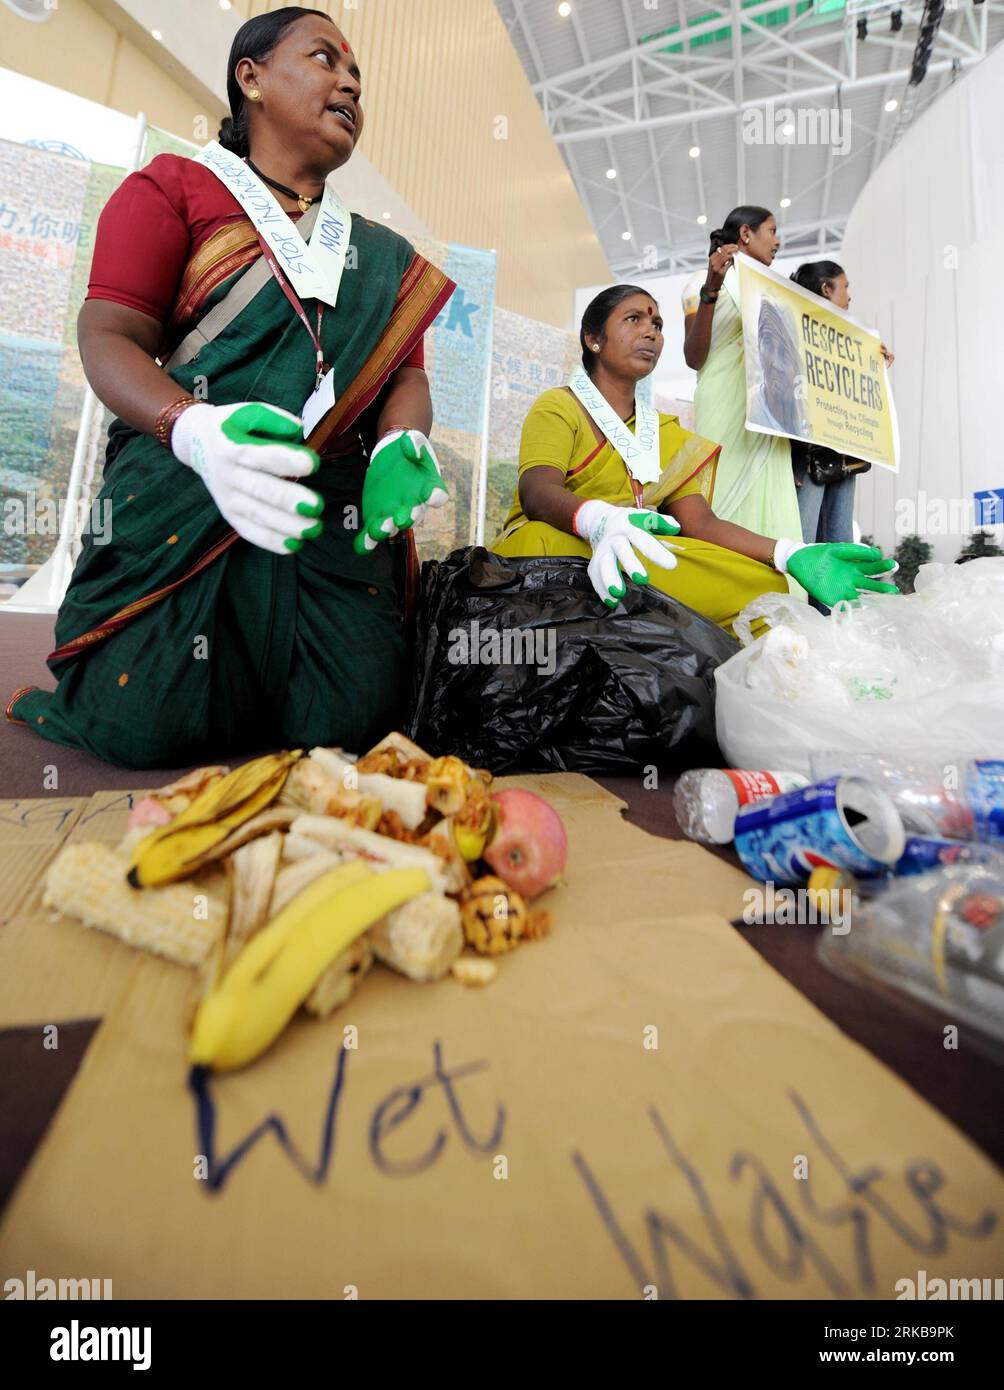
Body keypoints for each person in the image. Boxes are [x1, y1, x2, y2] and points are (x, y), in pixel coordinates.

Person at [6, 7, 455, 769]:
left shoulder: (380, 255)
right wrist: (191, 428)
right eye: (324, 58)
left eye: (357, 76)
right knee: (140, 725)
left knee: (353, 721)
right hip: (185, 489)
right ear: (250, 78)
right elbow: (109, 335)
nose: (349, 81)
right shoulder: (173, 188)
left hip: (324, 515)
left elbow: (405, 373)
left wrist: (400, 440)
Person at [492, 285, 897, 636]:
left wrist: (789, 553)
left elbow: (700, 524)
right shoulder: (559, 406)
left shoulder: (664, 431)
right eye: (634, 319)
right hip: (567, 548)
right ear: (593, 339)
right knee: (535, 542)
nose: (651, 330)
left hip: (642, 557)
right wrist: (601, 522)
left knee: (762, 582)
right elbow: (537, 492)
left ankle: (775, 674)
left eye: (657, 324)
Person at [681, 207, 804, 550]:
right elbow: (694, 357)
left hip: (769, 416)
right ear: (747, 234)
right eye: (772, 230)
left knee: (773, 503)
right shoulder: (699, 283)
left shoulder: (775, 293)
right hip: (725, 407)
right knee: (720, 499)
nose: (778, 241)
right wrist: (712, 289)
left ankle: (780, 595)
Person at [788, 260, 895, 550]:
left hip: (844, 455)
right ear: (826, 288)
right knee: (806, 542)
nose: (849, 296)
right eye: (845, 287)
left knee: (839, 540)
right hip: (808, 455)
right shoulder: (795, 328)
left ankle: (833, 597)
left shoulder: (850, 336)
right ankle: (801, 597)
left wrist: (871, 359)